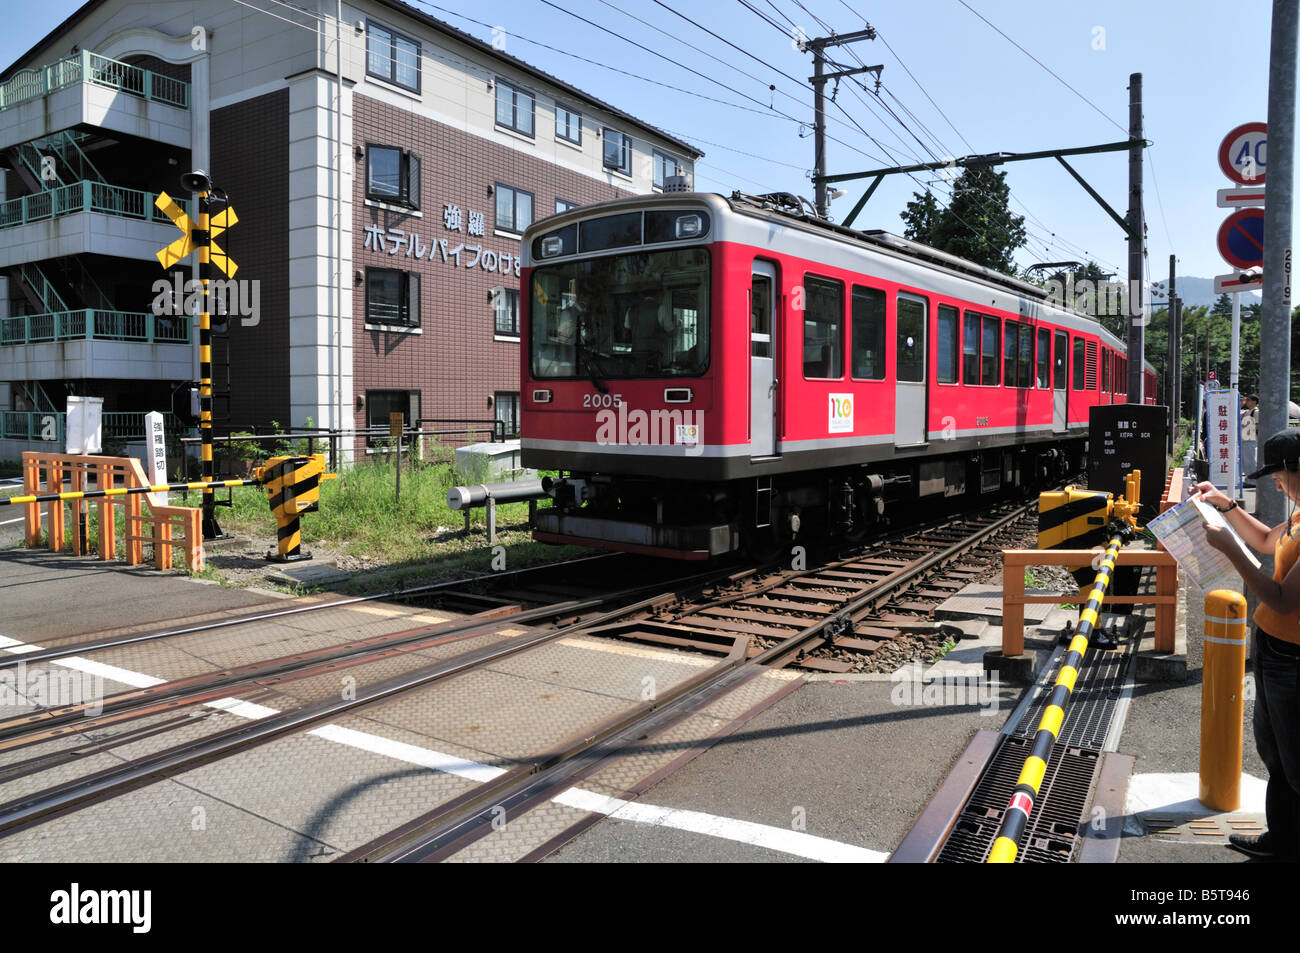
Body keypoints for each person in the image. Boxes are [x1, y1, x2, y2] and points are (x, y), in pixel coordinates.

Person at [1198, 428, 1300, 862]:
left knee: (1296, 765)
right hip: (1273, 650)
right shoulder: (1298, 514)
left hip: (1292, 661)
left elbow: (1281, 600)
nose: (1275, 484)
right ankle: (1282, 842)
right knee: (1276, 755)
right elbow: (1264, 540)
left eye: (1278, 476)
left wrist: (1229, 551)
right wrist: (1228, 507)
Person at [1241, 395, 1259, 487]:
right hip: (1245, 439)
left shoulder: (1256, 412)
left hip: (1251, 439)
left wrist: (1247, 429)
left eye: (1248, 400)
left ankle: (1253, 481)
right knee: (1246, 461)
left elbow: (1258, 425)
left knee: (1251, 461)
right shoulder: (1247, 412)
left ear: (1254, 401)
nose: (1246, 401)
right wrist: (1241, 404)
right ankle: (1249, 479)